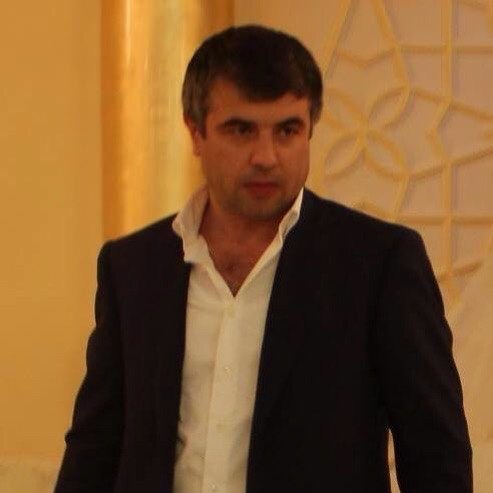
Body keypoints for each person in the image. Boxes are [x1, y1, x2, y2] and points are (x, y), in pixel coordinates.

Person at [55, 25, 472, 493]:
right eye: (241, 130)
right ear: (195, 131)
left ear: (310, 129)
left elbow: (435, 452)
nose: (266, 156)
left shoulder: (378, 264)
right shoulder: (133, 267)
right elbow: (95, 446)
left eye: (288, 131)